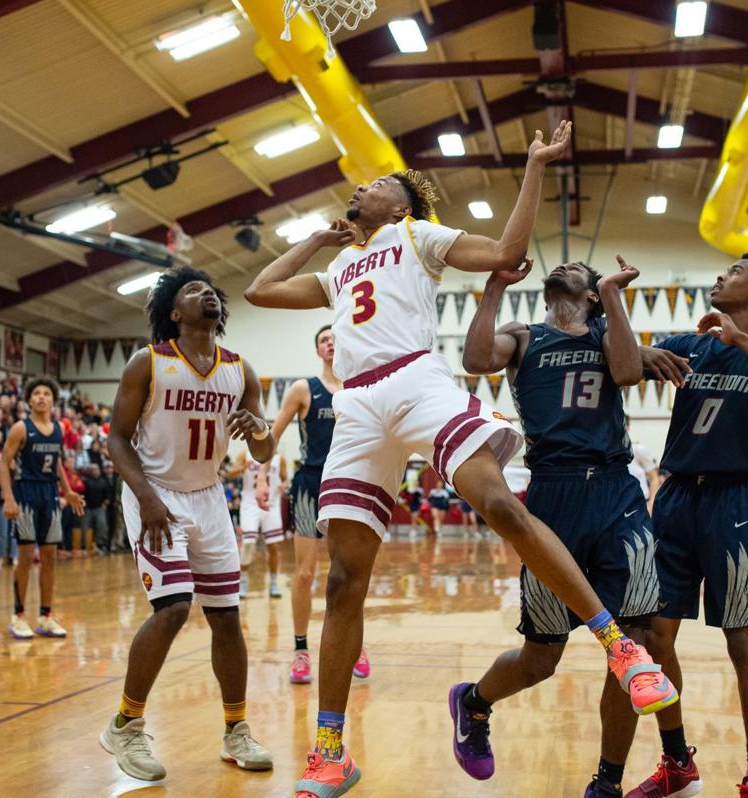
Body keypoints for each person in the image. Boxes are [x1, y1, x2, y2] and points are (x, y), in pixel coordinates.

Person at [245, 120, 675, 798]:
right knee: (343, 579)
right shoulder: (339, 267)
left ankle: (619, 647)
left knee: (501, 503)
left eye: (379, 183)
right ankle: (330, 751)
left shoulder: (420, 236)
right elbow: (261, 291)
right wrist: (318, 240)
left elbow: (507, 247)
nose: (363, 185)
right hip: (357, 407)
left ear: (403, 205)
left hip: (415, 380)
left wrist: (535, 164)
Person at [450, 255, 673, 795]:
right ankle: (474, 703)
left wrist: (617, 300)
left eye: (579, 268)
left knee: (637, 638)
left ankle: (607, 782)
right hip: (551, 494)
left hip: (617, 490)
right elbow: (477, 358)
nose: (565, 266)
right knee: (541, 658)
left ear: (594, 292)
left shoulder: (607, 330)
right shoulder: (522, 336)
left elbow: (624, 372)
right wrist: (493, 287)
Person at [630, 253, 748, 798]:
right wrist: (634, 339)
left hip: (733, 500)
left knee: (742, 640)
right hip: (674, 500)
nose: (720, 276)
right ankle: (677, 761)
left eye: (735, 271)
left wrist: (742, 341)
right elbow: (624, 364)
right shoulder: (690, 344)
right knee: (653, 635)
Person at [101, 267, 272, 782]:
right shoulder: (147, 363)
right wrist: (147, 498)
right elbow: (116, 439)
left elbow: (263, 447)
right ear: (175, 313)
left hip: (209, 497)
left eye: (210, 290)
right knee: (174, 608)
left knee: (226, 618)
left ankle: (236, 729)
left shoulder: (240, 370)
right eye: (193, 291)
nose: (206, 294)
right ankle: (125, 725)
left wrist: (259, 427)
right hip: (156, 494)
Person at [266, 325, 371, 686]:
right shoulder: (302, 389)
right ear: (318, 350)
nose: (331, 344)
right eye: (324, 340)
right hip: (311, 484)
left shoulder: (362, 388)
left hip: (350, 485)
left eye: (335, 339)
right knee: (306, 574)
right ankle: (300, 651)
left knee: (348, 575)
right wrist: (265, 479)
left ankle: (355, 646)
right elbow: (272, 437)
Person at [0, 377, 85, 639]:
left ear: (53, 400)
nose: (41, 397)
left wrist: (67, 490)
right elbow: (3, 464)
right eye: (36, 393)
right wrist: (8, 498)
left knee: (49, 557)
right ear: (29, 399)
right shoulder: (20, 429)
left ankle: (46, 616)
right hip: (26, 494)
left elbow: (56, 462)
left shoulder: (59, 428)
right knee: (25, 558)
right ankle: (18, 615)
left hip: (50, 496)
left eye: (46, 393)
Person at [229, 447, 287, 597]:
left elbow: (285, 478)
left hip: (272, 504)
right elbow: (231, 474)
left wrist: (284, 485)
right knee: (248, 544)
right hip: (250, 504)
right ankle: (243, 582)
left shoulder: (279, 458)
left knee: (273, 546)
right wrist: (243, 467)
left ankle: (273, 583)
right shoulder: (245, 453)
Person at [82, 463, 113, 554]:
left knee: (102, 525)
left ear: (99, 470)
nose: (94, 471)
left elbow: (108, 494)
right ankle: (84, 547)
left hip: (99, 508)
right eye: (92, 469)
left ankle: (100, 545)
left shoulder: (104, 481)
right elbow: (82, 492)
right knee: (84, 527)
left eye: (96, 469)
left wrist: (105, 503)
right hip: (87, 508)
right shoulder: (86, 480)